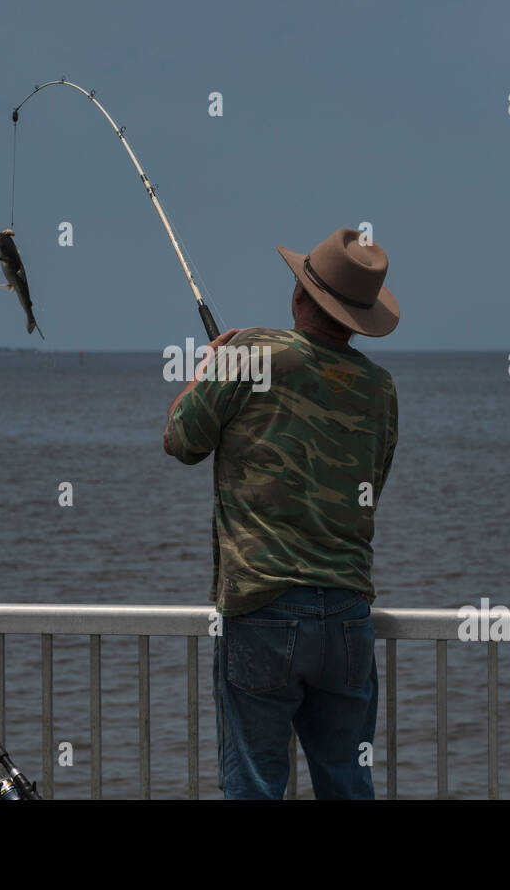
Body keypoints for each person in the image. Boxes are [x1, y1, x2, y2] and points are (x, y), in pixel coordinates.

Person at [163, 227, 399, 799]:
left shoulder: (249, 354)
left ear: (300, 295)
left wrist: (209, 367)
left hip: (263, 607)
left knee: (255, 785)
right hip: (347, 613)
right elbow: (371, 482)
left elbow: (181, 440)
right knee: (347, 782)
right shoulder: (380, 387)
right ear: (360, 315)